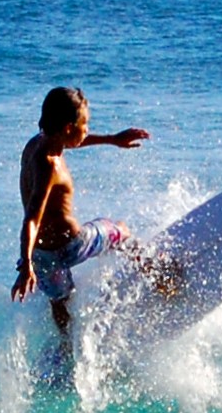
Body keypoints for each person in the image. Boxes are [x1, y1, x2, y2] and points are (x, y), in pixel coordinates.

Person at [13, 87, 150, 333]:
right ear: (67, 127)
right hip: (71, 246)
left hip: (42, 256)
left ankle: (66, 343)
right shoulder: (50, 166)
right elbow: (32, 219)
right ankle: (159, 275)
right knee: (118, 229)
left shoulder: (36, 144)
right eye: (84, 125)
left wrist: (112, 139)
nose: (86, 130)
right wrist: (24, 267)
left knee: (60, 302)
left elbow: (73, 141)